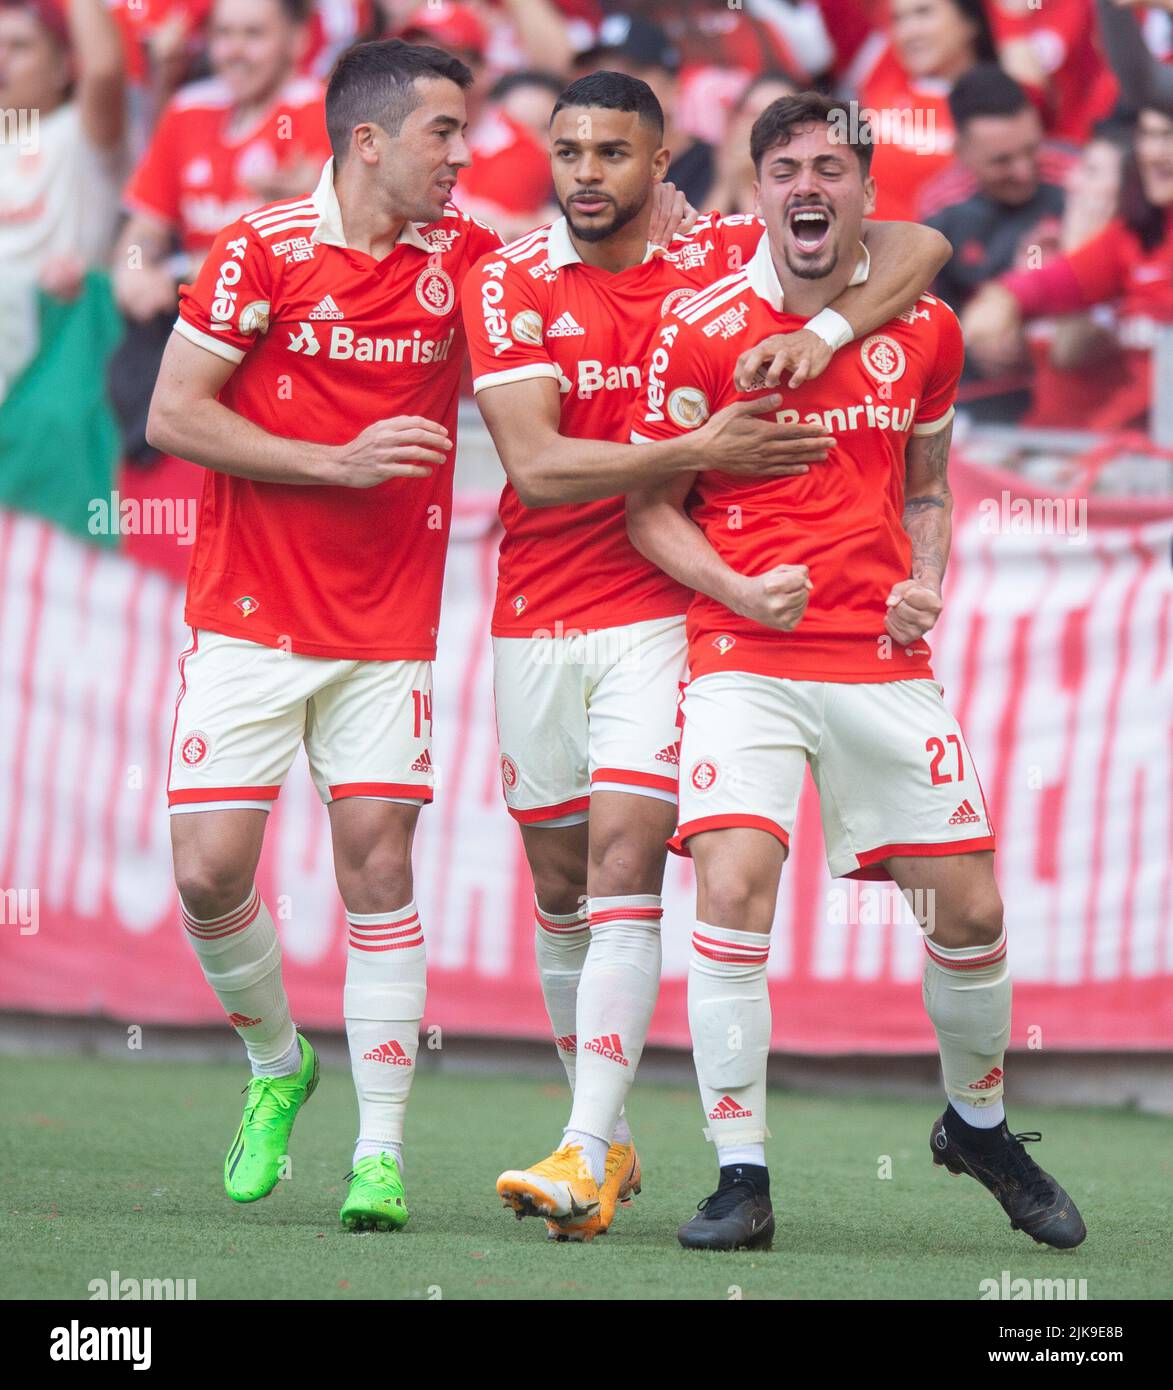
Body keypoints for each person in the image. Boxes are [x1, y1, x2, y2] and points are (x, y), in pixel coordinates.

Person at [462, 71, 950, 1241]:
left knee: (630, 863)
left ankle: (583, 1148)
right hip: (535, 610)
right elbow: (534, 470)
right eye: (568, 151)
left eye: (613, 153)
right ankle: (612, 1131)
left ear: (659, 161)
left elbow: (921, 244)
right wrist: (700, 442)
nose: (588, 173)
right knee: (562, 884)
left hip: (664, 608)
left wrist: (831, 327)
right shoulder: (511, 279)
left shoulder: (727, 247)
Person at [626, 93, 1086, 1253]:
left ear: (867, 193)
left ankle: (976, 1123)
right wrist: (732, 591)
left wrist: (927, 572)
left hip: (883, 658)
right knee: (733, 884)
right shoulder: (698, 326)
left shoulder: (924, 328)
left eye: (831, 166)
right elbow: (645, 511)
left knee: (968, 907)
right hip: (744, 655)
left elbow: (925, 485)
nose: (807, 187)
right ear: (758, 192)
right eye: (784, 169)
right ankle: (743, 1176)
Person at [144, 39, 504, 1234]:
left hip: (387, 624)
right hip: (246, 613)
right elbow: (172, 415)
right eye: (444, 131)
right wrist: (333, 463)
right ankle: (275, 1062)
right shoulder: (260, 249)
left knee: (379, 866)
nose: (464, 154)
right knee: (207, 874)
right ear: (369, 140)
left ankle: (382, 1152)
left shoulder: (470, 258)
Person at [114, 0, 330, 326]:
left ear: (297, 40)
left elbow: (318, 250)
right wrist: (133, 271)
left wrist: (313, 197)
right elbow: (146, 224)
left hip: (276, 320)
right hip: (184, 308)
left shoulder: (322, 109)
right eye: (223, 34)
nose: (235, 51)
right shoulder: (188, 108)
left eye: (253, 34)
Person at [963, 103, 1173, 431]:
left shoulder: (1129, 246)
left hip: (1105, 442)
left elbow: (1069, 352)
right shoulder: (1046, 240)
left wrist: (1076, 247)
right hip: (1054, 438)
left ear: (1127, 184)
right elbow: (1012, 302)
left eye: (1091, 171)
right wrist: (997, 317)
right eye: (1150, 137)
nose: (1071, 181)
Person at [0, 0, 126, 395]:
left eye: (19, 46)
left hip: (57, 375)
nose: (1, 59)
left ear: (62, 67)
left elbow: (105, 69)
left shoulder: (80, 135)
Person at [858, 0, 1000, 221]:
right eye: (898, 19)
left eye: (923, 12)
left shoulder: (996, 102)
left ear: (970, 20)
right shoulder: (884, 75)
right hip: (859, 248)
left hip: (940, 250)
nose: (908, 33)